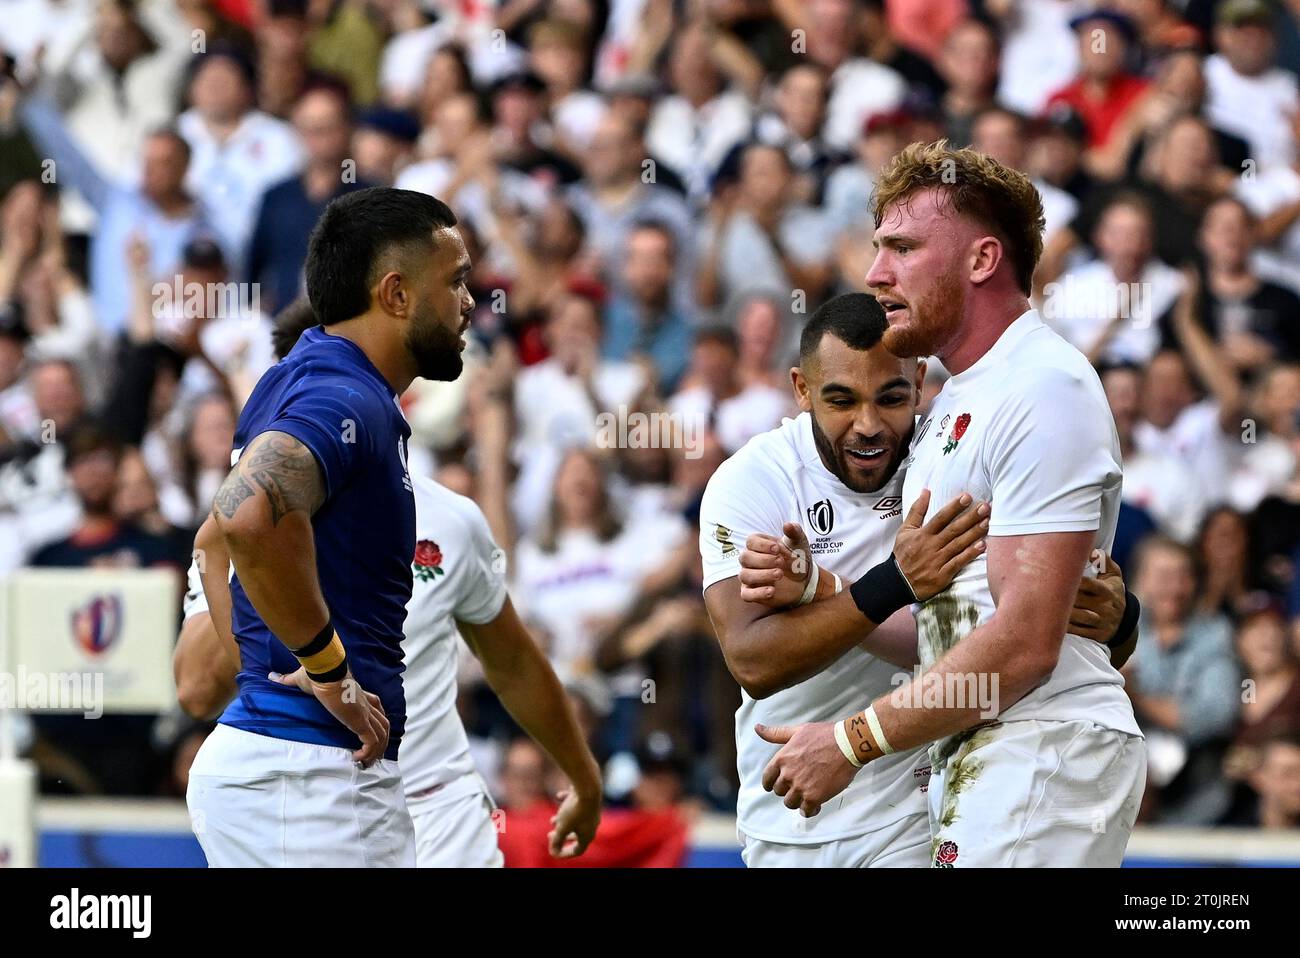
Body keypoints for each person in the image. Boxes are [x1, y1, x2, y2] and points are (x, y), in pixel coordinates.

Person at [737, 143, 1146, 867]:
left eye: (902, 247)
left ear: (982, 260)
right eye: (877, 248)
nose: (875, 274)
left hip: (1044, 746)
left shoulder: (1044, 385)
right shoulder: (957, 400)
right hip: (987, 756)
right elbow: (952, 631)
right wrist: (821, 590)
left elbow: (1022, 645)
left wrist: (850, 740)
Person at [175, 299, 602, 867]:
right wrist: (273, 600)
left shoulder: (450, 519)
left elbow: (514, 664)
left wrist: (583, 775)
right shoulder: (244, 525)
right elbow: (197, 692)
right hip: (323, 797)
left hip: (442, 814)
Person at [184, 187, 470, 867]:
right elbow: (246, 519)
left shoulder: (302, 377)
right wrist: (328, 673)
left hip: (286, 768)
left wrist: (267, 671)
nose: (469, 303)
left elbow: (209, 545)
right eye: (456, 281)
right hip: (312, 781)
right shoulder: (344, 396)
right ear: (396, 293)